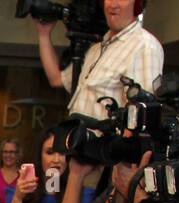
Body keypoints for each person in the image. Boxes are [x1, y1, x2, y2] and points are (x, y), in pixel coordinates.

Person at [35, 0, 164, 120]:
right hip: (78, 142)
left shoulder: (144, 46)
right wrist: (44, 34)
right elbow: (57, 79)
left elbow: (142, 115)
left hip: (106, 144)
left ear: (138, 5)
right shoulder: (95, 50)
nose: (113, 5)